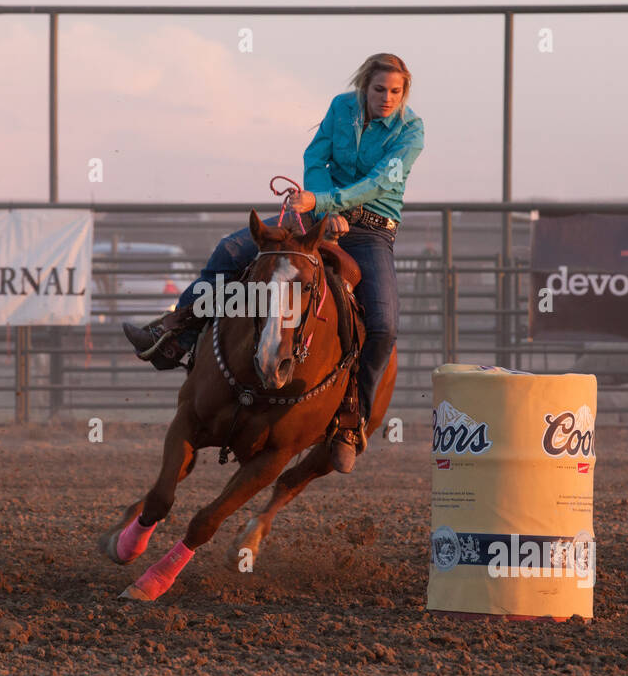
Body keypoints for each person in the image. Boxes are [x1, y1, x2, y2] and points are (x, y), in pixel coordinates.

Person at [123, 53, 425, 472]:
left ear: (404, 92)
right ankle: (179, 331)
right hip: (318, 215)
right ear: (365, 86)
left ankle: (350, 421)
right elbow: (316, 158)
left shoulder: (411, 130)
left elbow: (380, 182)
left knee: (383, 324)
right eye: (379, 89)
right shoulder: (342, 107)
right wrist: (321, 211)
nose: (387, 98)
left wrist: (325, 201)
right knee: (232, 250)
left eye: (395, 91)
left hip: (371, 229)